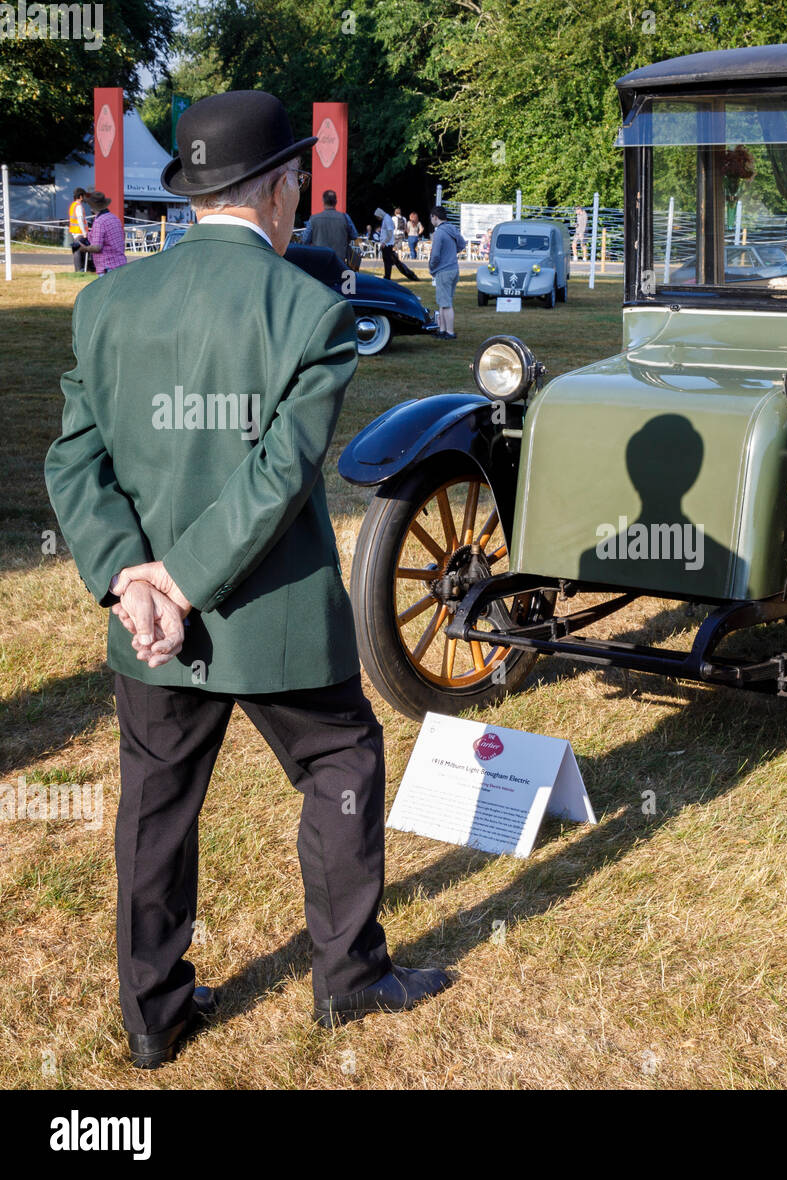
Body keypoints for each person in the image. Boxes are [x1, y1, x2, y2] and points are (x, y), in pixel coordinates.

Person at [44, 90, 451, 1071]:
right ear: (277, 189)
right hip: (269, 617)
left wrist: (126, 583)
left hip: (149, 625)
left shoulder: (106, 300)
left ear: (192, 194)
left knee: (154, 804)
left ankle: (153, 1012)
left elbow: (73, 463)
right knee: (341, 767)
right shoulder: (310, 310)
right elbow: (279, 474)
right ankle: (348, 978)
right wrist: (174, 582)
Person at [427, 205, 466, 340]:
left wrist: (431, 267)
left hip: (443, 271)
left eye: (431, 217)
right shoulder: (453, 229)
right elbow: (462, 244)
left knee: (446, 304)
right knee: (443, 302)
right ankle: (442, 330)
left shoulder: (439, 233)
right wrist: (451, 254)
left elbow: (436, 255)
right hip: (454, 269)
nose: (431, 220)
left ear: (435, 217)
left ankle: (449, 332)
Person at [301, 188, 358, 265]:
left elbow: (305, 240)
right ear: (336, 202)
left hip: (319, 260)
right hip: (339, 261)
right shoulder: (345, 217)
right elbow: (354, 235)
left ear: (323, 201)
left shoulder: (314, 219)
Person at [78, 191, 128, 275]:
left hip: (107, 266)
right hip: (120, 263)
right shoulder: (115, 218)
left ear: (92, 207)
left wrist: (84, 249)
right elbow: (122, 237)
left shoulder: (99, 222)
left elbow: (97, 248)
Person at [373, 205, 417, 280]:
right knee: (390, 261)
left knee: (388, 261)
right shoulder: (386, 218)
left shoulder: (387, 219)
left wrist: (384, 242)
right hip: (386, 243)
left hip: (387, 244)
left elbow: (390, 233)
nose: (378, 218)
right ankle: (388, 275)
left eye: (377, 217)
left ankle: (387, 276)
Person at [68, 187, 90, 271]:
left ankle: (79, 269)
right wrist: (84, 232)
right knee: (79, 252)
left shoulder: (73, 205)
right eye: (84, 196)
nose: (84, 198)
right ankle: (79, 269)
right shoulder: (78, 206)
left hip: (75, 232)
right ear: (80, 197)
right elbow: (80, 220)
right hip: (79, 232)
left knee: (77, 251)